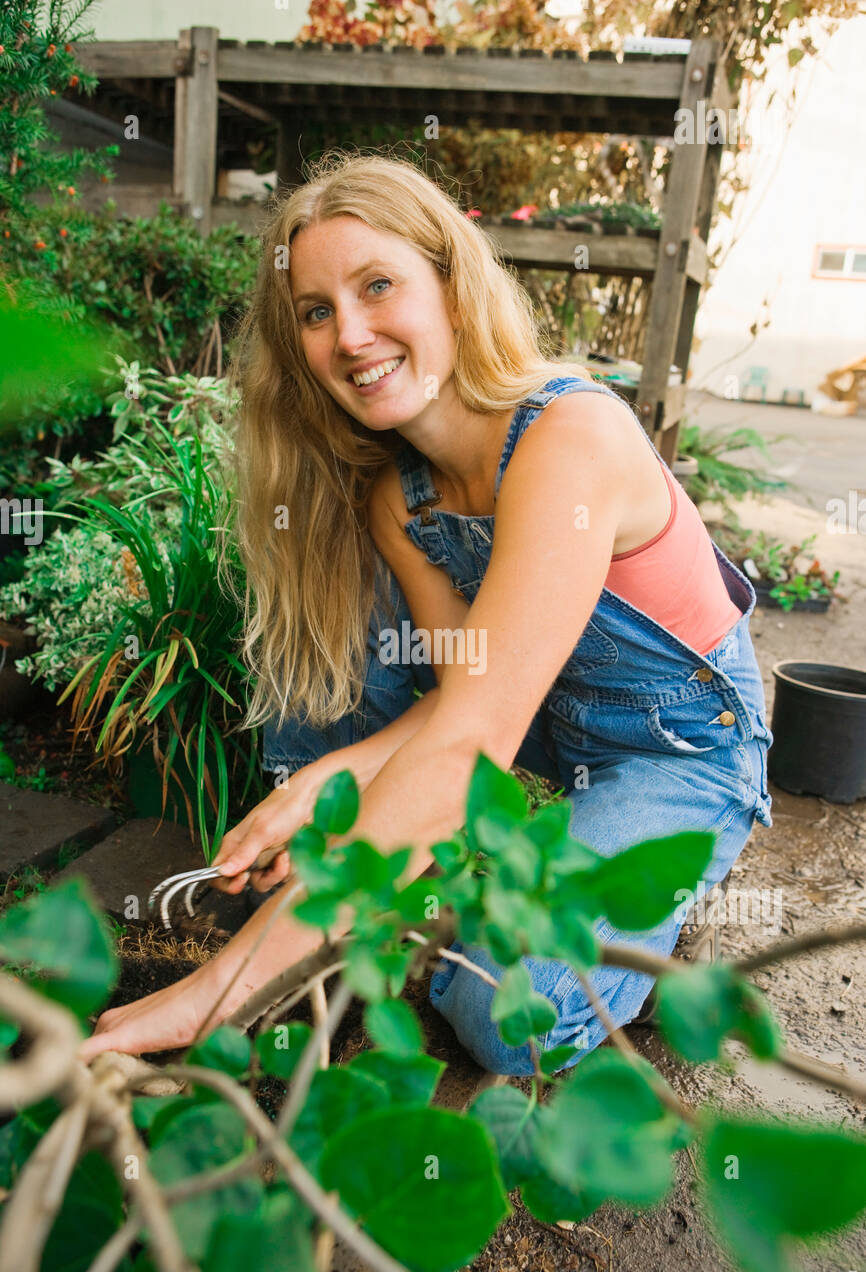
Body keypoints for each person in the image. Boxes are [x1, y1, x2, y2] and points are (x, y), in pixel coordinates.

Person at [79, 151, 773, 1072]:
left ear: (451, 284)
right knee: (340, 722)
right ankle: (429, 881)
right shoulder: (401, 499)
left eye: (378, 286)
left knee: (500, 1007)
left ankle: (653, 901)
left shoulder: (572, 437)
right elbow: (462, 698)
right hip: (540, 723)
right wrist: (318, 785)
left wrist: (223, 990)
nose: (352, 335)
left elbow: (471, 741)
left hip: (675, 750)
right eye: (317, 313)